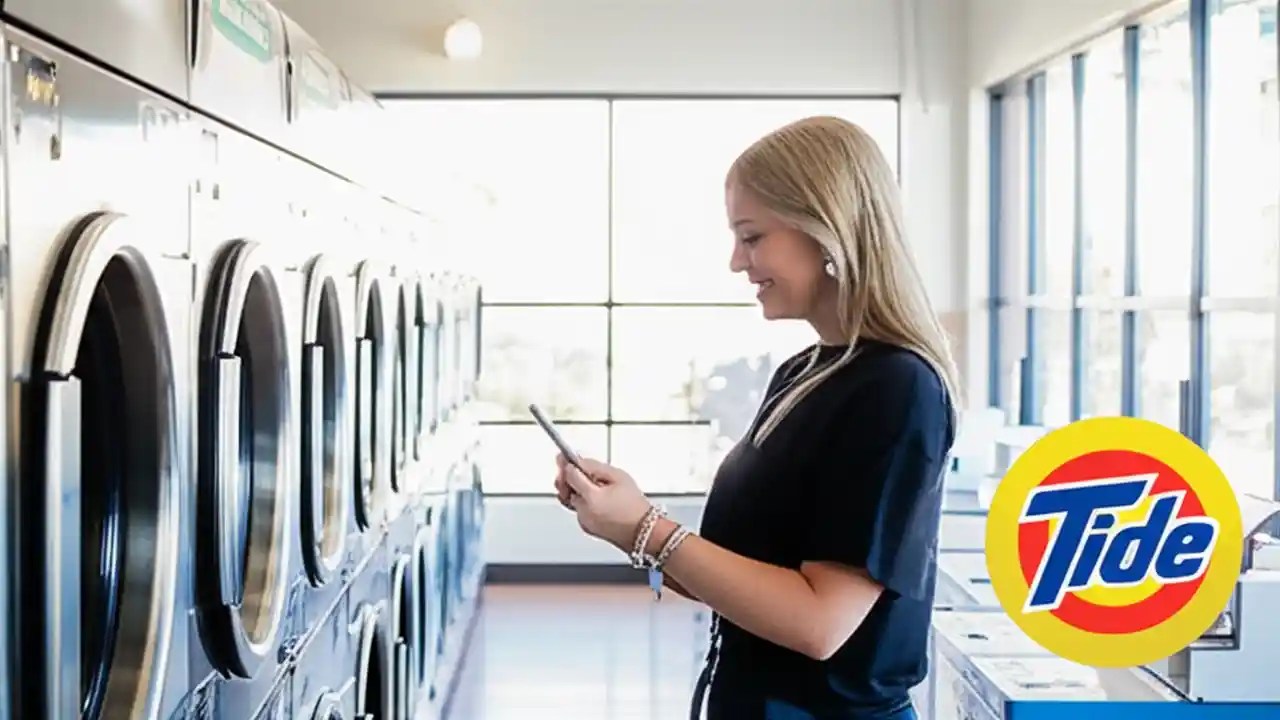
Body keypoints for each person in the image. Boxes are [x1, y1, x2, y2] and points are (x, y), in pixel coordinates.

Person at [553, 115, 960, 720]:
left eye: (751, 237)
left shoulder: (896, 389)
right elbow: (736, 572)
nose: (737, 263)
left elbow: (821, 623)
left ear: (828, 232)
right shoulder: (805, 373)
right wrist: (625, 524)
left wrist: (649, 529)